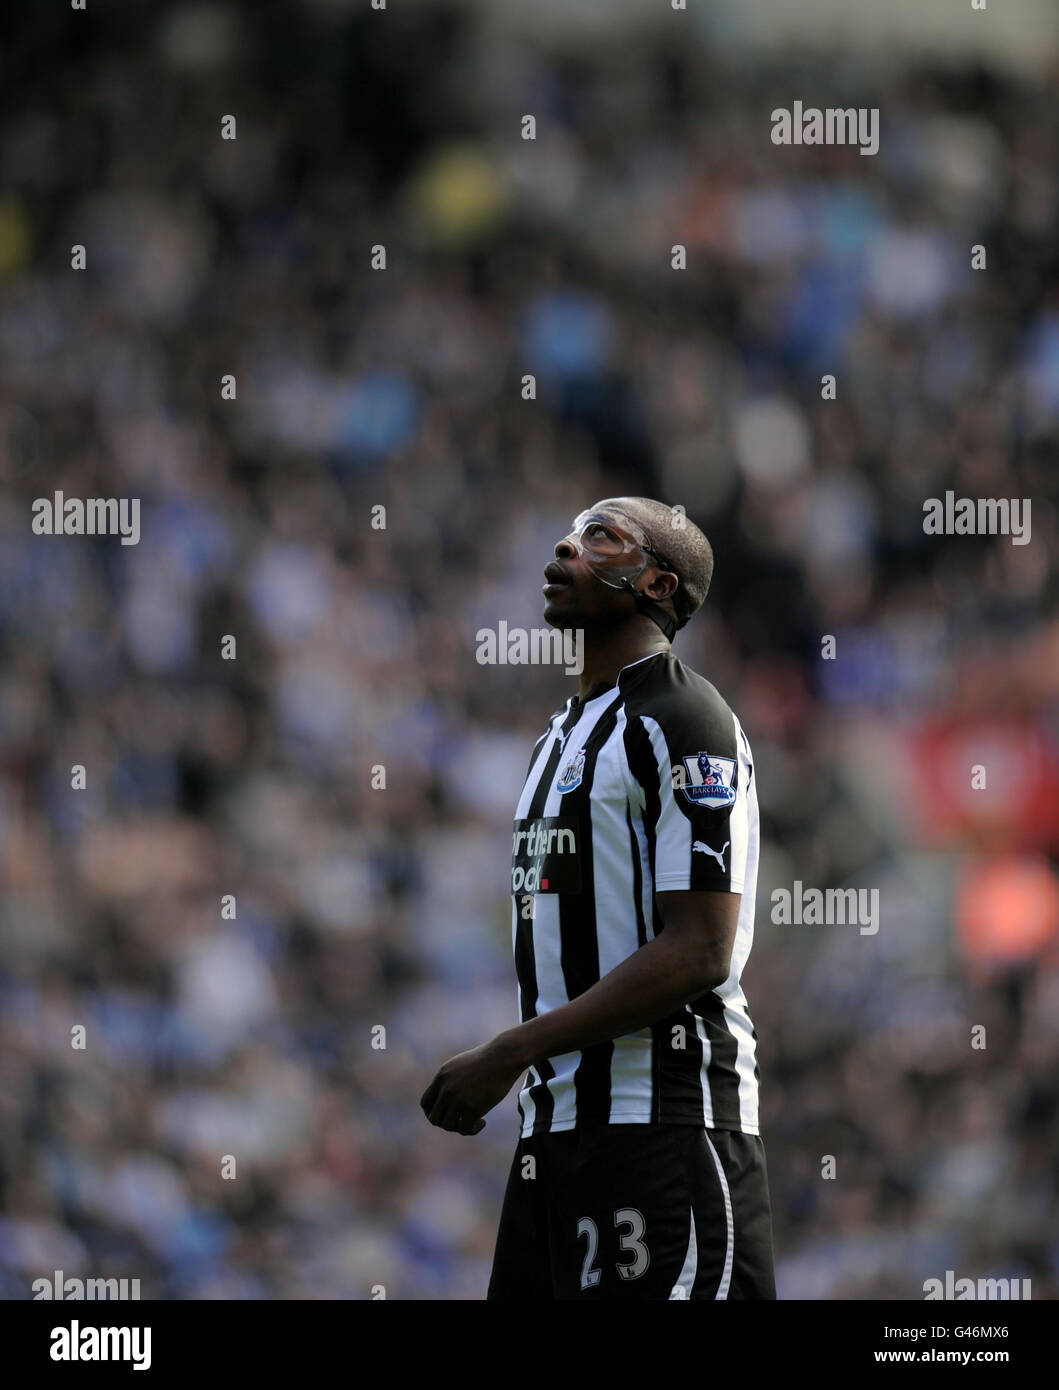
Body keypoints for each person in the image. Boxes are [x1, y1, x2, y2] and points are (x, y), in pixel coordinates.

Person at [421, 497, 776, 1299]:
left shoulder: (686, 718)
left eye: (600, 537)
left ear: (655, 582)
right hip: (556, 1132)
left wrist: (511, 1049)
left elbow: (699, 949)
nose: (564, 546)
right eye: (572, 531)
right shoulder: (561, 733)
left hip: (664, 1126)